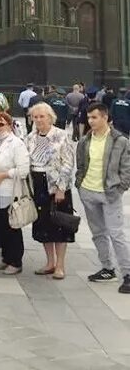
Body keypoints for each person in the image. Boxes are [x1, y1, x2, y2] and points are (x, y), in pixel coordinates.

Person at [76, 102, 130, 293]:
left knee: (116, 234)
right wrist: (80, 184)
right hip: (88, 192)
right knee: (98, 233)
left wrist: (119, 188)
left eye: (94, 117)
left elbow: (127, 169)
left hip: (110, 193)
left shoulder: (120, 141)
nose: (90, 121)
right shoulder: (85, 140)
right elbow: (81, 165)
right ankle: (107, 268)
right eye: (89, 117)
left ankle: (127, 273)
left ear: (105, 117)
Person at [24, 102, 75, 280]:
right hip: (37, 184)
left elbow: (68, 163)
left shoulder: (61, 135)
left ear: (50, 117)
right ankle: (49, 262)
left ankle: (60, 265)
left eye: (42, 116)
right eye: (35, 117)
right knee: (43, 224)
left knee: (60, 224)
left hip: (56, 185)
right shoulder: (30, 137)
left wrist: (61, 187)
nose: (38, 120)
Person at [0, 111, 30, 275]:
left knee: (11, 227)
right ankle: (5, 258)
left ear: (10, 125)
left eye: (2, 124)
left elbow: (23, 170)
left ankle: (15, 261)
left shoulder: (16, 144)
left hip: (8, 191)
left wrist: (3, 175)